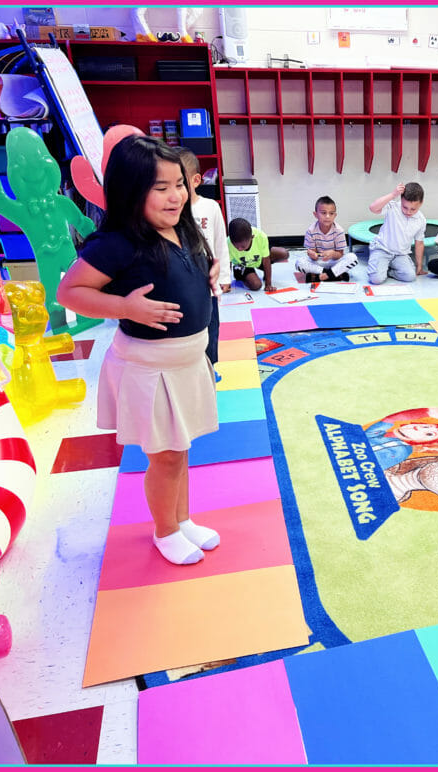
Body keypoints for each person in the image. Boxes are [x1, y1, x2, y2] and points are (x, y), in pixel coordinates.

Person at [57, 136, 221, 565]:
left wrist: (209, 269)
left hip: (187, 361)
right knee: (165, 457)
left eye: (179, 184)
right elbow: (69, 292)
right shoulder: (118, 243)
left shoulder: (182, 226)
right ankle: (165, 531)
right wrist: (124, 307)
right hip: (151, 370)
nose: (175, 196)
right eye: (160, 188)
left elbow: (189, 265)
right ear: (131, 191)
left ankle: (181, 519)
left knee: (180, 451)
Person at [178, 148, 229, 367]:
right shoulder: (170, 211)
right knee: (185, 332)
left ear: (196, 180)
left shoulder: (210, 207)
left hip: (207, 285)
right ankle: (190, 367)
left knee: (211, 327)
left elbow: (220, 242)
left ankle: (211, 365)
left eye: (180, 182)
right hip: (180, 286)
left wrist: (224, 276)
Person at [367, 182, 427, 284]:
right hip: (382, 249)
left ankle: (388, 271)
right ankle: (379, 266)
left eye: (413, 209)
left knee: (410, 276)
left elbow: (419, 243)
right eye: (405, 207)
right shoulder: (392, 207)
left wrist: (419, 266)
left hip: (400, 254)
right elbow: (373, 208)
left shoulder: (421, 220)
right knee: (376, 279)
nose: (408, 212)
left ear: (421, 203)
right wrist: (393, 194)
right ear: (401, 200)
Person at [297, 195, 358, 283]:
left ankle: (319, 277)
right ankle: (332, 275)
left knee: (352, 257)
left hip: (335, 262)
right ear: (315, 214)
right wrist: (313, 255)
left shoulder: (339, 230)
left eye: (331, 213)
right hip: (319, 263)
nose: (328, 216)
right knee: (299, 262)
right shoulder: (311, 231)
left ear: (335, 215)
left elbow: (340, 254)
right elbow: (314, 255)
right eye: (323, 213)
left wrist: (333, 254)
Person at [228, 217, 289, 292]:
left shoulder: (261, 236)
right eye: (236, 246)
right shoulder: (227, 243)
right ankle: (241, 274)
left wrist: (268, 284)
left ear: (252, 237)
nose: (239, 249)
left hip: (258, 261)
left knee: (283, 253)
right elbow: (227, 264)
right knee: (256, 285)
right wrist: (227, 283)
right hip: (242, 265)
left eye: (243, 246)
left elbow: (266, 260)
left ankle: (262, 273)